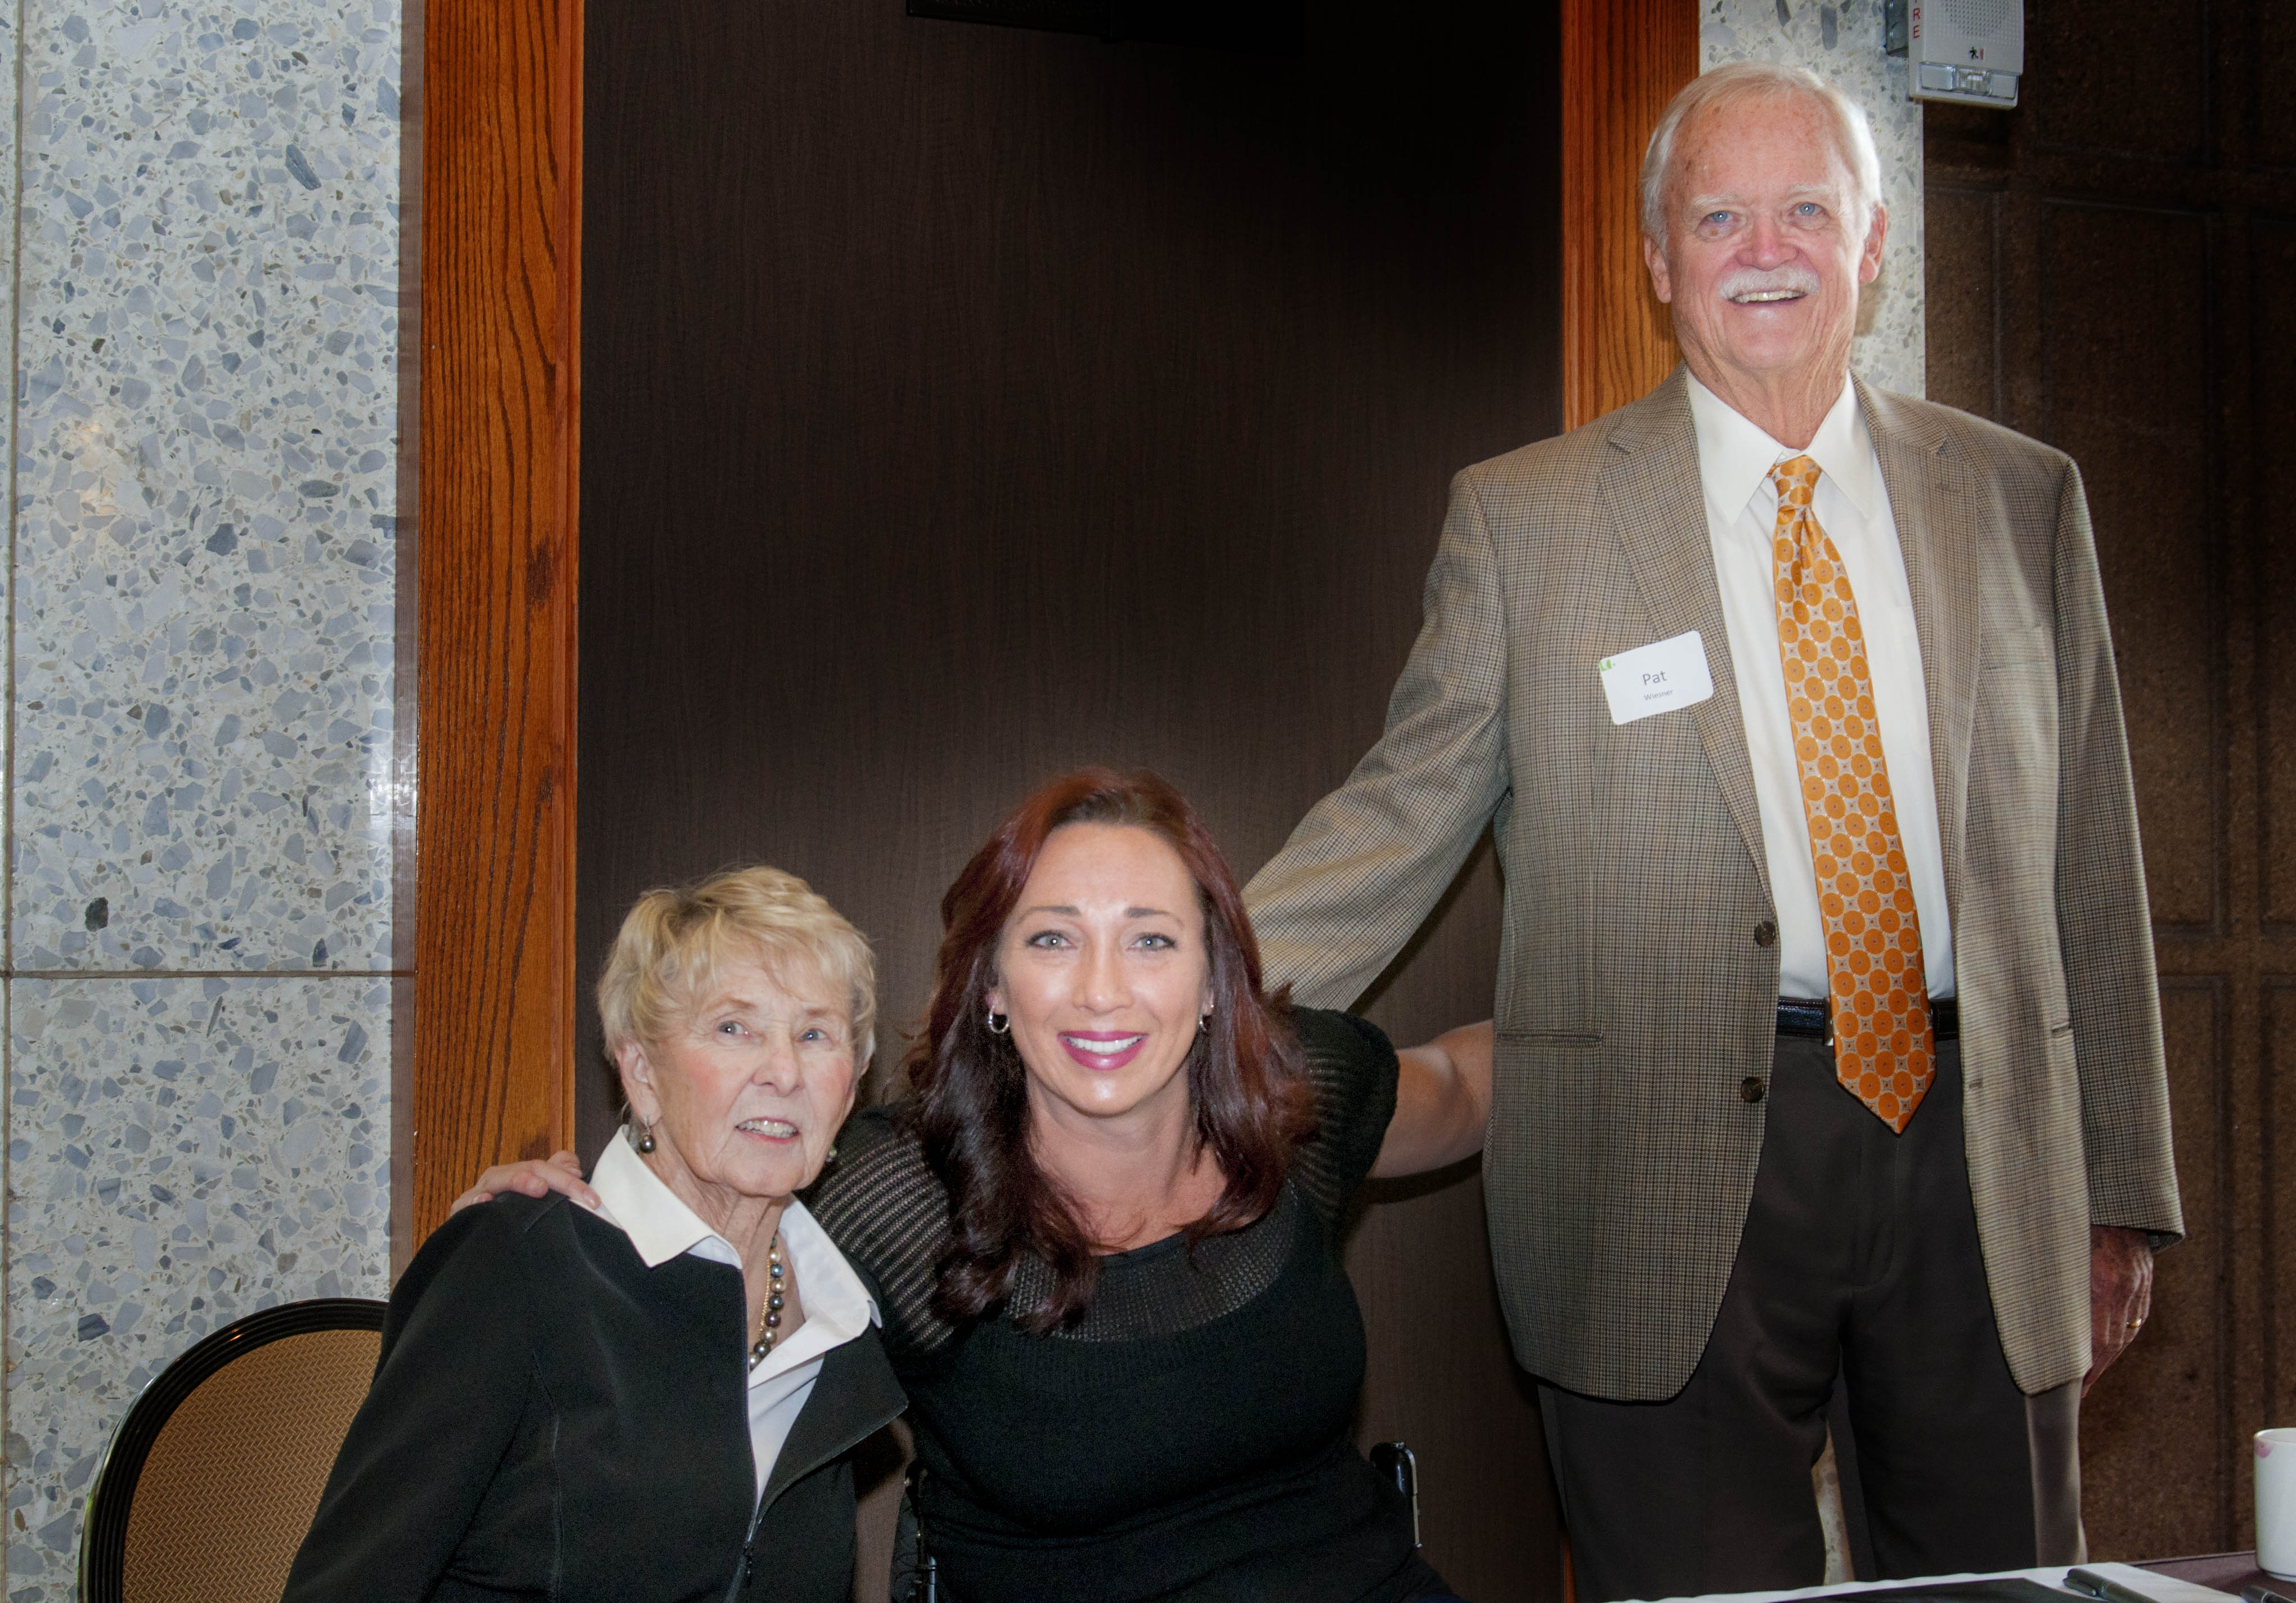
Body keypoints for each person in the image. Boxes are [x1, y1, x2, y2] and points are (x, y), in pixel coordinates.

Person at [1238, 60, 2185, 1600]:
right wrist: (1176, 1002)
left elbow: (2094, 861)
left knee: (2005, 1587)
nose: (1768, 247)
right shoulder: (1528, 521)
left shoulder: (2023, 499)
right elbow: (1399, 812)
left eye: (1809, 208)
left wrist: (2123, 1188)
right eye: (1720, 214)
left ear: (1872, 247)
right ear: (1661, 260)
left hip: (1982, 1151)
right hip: (1655, 1173)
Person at [460, 769, 1494, 1603]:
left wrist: (1628, 1019)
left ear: (1217, 980)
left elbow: (1467, 1083)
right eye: (1052, 939)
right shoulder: (894, 1192)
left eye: (1151, 939)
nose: (1102, 988)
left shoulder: (1297, 1105)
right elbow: (686, 1204)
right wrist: (553, 1212)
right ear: (994, 985)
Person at [286, 868, 903, 1603]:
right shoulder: (519, 1261)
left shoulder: (840, 1318)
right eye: (734, 1027)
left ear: (854, 1081)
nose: (784, 1070)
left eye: (815, 1033)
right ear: (642, 1071)